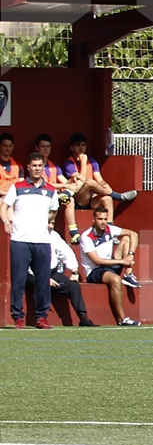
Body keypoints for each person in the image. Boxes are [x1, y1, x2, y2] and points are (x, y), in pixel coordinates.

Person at [2, 151, 59, 328]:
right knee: (18, 280)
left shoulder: (51, 190)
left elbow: (54, 211)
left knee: (43, 281)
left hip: (42, 241)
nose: (36, 169)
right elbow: (4, 206)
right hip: (20, 240)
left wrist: (49, 222)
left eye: (39, 166)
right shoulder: (17, 187)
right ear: (28, 167)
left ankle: (42, 317)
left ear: (44, 167)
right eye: (33, 166)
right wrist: (6, 221)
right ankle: (17, 317)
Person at [80, 208, 142, 325]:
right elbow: (97, 261)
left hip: (110, 264)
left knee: (126, 238)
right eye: (100, 219)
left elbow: (133, 234)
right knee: (115, 279)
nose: (103, 222)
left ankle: (128, 274)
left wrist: (130, 256)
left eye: (105, 219)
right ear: (93, 220)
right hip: (94, 271)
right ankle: (122, 319)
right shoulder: (86, 237)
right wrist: (122, 261)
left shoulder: (109, 229)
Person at [64, 132, 137, 222]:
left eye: (83, 145)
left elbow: (100, 180)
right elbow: (81, 179)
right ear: (72, 148)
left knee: (107, 199)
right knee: (89, 182)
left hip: (92, 198)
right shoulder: (69, 162)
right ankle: (118, 196)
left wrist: (106, 185)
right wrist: (83, 161)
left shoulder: (92, 161)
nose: (81, 148)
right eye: (77, 145)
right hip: (79, 198)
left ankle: (110, 228)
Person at [35, 134, 81, 243]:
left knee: (70, 199)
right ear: (37, 148)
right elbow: (43, 183)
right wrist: (66, 186)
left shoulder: (54, 166)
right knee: (67, 194)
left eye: (48, 146)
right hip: (41, 199)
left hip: (56, 198)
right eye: (43, 146)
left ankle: (73, 232)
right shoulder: (35, 165)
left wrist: (73, 181)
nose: (46, 149)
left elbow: (64, 181)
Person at [45, 230, 96, 326]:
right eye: (48, 223)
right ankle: (41, 319)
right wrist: (44, 279)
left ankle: (84, 319)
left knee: (73, 286)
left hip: (52, 272)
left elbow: (66, 252)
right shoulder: (33, 235)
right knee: (39, 285)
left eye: (52, 223)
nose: (50, 226)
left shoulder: (54, 235)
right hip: (34, 274)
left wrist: (74, 271)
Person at [0, 132, 23, 198]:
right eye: (5, 146)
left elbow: (21, 183)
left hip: (15, 196)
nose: (8, 149)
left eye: (10, 146)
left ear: (13, 146)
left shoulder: (17, 165)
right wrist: (6, 194)